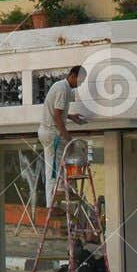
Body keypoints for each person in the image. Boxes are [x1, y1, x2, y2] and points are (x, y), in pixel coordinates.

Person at [36, 65, 87, 201]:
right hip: (51, 132)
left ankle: (64, 191)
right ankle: (54, 201)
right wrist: (69, 138)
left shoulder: (64, 88)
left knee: (61, 161)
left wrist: (70, 116)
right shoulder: (62, 89)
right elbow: (57, 117)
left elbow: (58, 112)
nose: (80, 84)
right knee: (54, 169)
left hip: (50, 131)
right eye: (80, 81)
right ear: (72, 76)